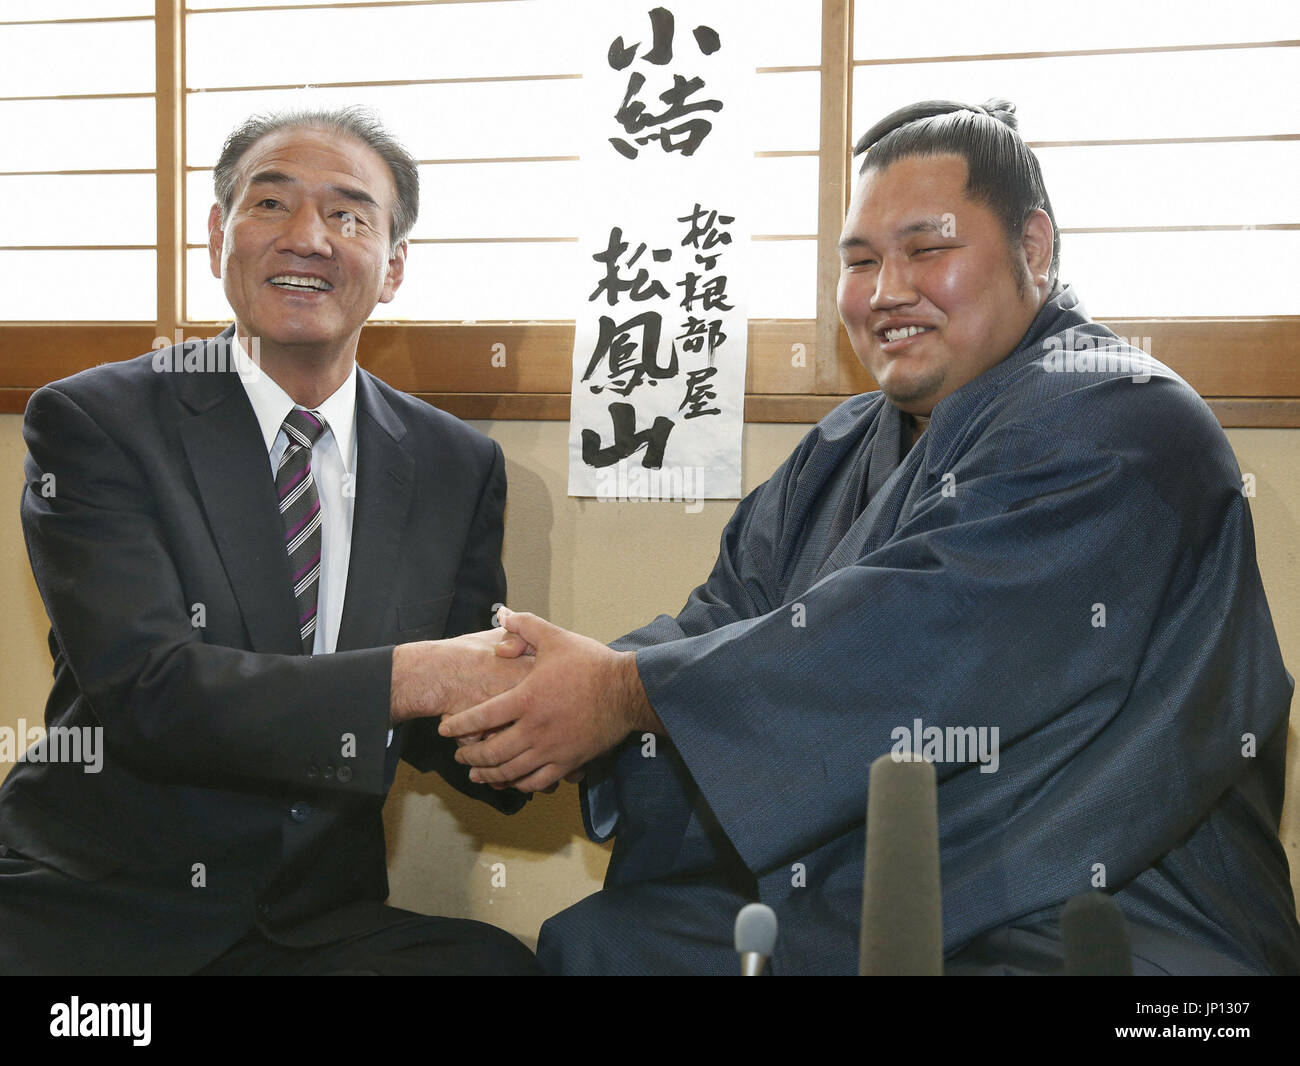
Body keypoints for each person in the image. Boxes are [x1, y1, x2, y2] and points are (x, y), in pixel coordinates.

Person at [441, 99, 1300, 975]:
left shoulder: (1123, 414)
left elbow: (909, 638)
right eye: (860, 261)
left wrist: (622, 694)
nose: (888, 290)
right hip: (879, 881)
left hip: (1109, 904)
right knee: (604, 945)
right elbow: (722, 619)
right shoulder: (844, 443)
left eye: (927, 250)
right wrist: (559, 692)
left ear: (1033, 249)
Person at [0, 106, 541, 975]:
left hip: (314, 918)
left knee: (501, 967)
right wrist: (423, 672)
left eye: (349, 216)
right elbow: (154, 693)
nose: (308, 239)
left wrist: (575, 714)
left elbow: (453, 716)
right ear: (218, 234)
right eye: (270, 205)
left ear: (394, 267)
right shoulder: (95, 422)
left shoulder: (455, 462)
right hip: (95, 903)